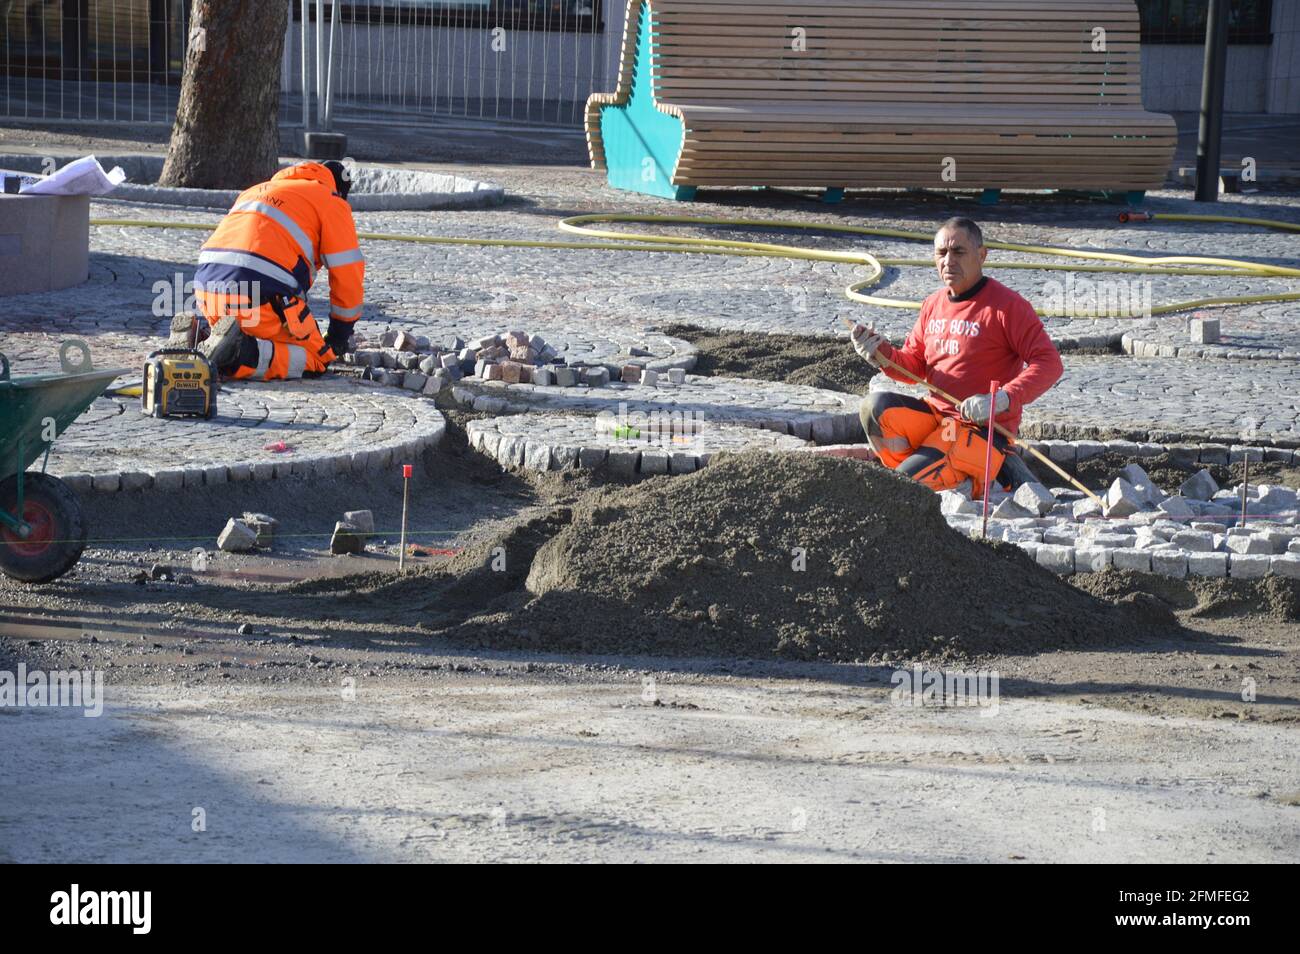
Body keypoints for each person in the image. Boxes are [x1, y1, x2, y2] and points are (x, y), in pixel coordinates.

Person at [851, 217, 1062, 495]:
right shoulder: (932, 304)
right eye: (941, 253)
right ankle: (933, 471)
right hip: (936, 420)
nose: (948, 261)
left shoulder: (1008, 306)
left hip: (975, 432)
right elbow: (914, 367)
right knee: (874, 408)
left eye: (958, 252)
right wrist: (880, 355)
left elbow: (1050, 364)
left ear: (982, 255)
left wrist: (1002, 399)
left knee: (899, 490)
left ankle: (970, 475)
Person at [169, 160, 365, 381]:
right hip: (261, 298)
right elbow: (348, 275)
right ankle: (236, 356)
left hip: (208, 293)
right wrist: (340, 333)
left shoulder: (255, 190)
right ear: (339, 190)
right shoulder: (332, 201)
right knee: (316, 358)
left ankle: (199, 339)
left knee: (235, 331)